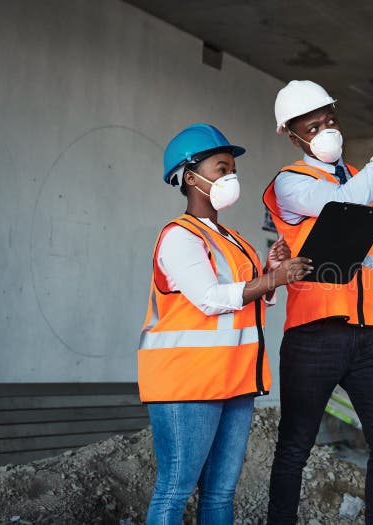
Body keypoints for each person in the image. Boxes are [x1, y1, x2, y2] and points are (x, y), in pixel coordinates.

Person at [262, 80, 373, 524]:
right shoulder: (291, 182)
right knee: (295, 448)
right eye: (312, 127)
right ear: (293, 136)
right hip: (315, 333)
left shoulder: (362, 180)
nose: (326, 131)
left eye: (330, 120)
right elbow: (339, 204)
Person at [137, 123, 312, 524]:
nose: (231, 177)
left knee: (220, 494)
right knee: (175, 490)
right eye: (221, 168)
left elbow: (248, 300)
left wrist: (269, 271)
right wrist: (274, 279)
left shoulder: (234, 239)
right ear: (190, 177)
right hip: (188, 384)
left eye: (233, 169)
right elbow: (211, 298)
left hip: (234, 381)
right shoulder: (179, 236)